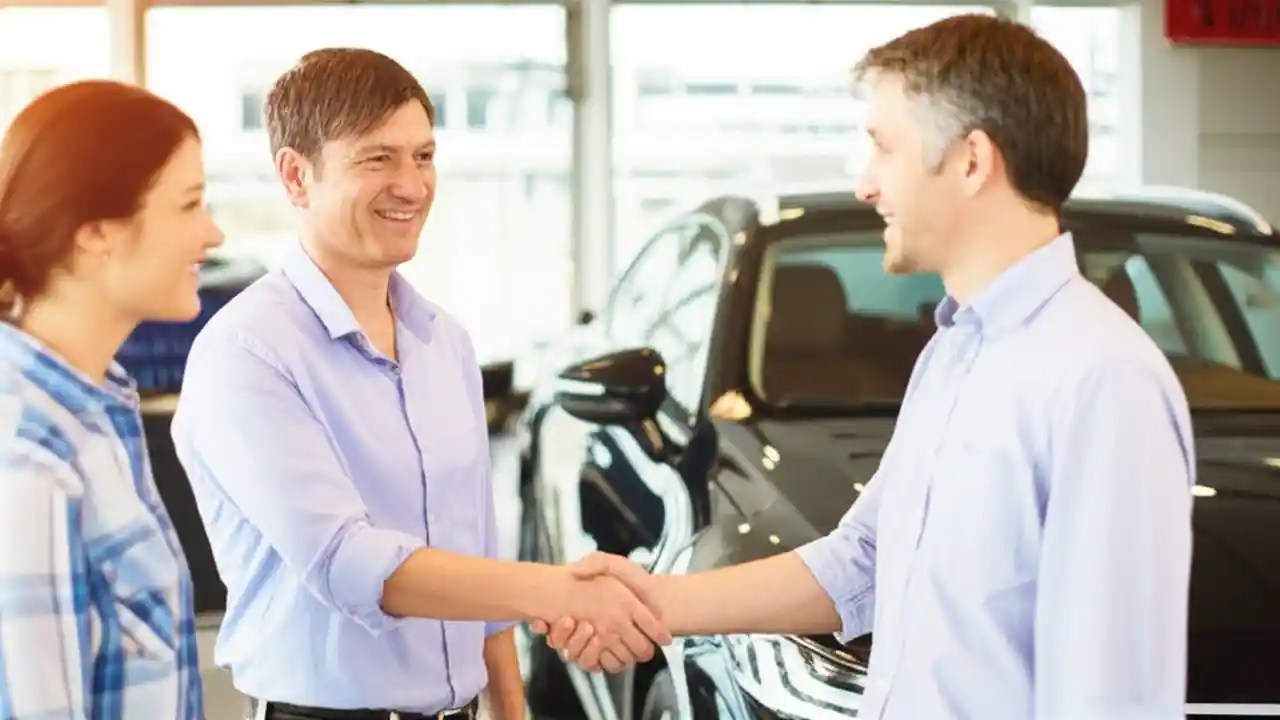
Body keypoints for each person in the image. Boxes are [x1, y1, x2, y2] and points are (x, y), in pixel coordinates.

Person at [536, 13, 1196, 720]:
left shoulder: (1102, 380)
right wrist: (651, 598)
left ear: (972, 161)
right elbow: (862, 562)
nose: (866, 184)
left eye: (884, 148)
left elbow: (1109, 700)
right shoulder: (956, 350)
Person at [169, 48, 669, 720]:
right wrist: (560, 592)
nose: (411, 185)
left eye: (424, 156)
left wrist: (511, 708)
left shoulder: (445, 342)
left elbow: (478, 557)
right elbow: (349, 562)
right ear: (296, 175)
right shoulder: (247, 353)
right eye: (378, 159)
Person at [0, 80, 222, 718]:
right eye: (189, 205)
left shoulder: (99, 409)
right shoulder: (29, 458)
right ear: (96, 230)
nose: (213, 233)